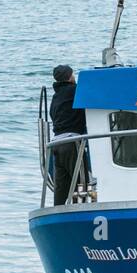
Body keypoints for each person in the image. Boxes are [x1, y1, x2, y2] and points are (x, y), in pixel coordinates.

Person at [49, 64, 87, 205]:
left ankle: (58, 212)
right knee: (82, 183)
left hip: (56, 144)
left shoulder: (56, 97)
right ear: (70, 77)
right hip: (72, 142)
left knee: (61, 187)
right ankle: (84, 210)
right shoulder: (75, 91)